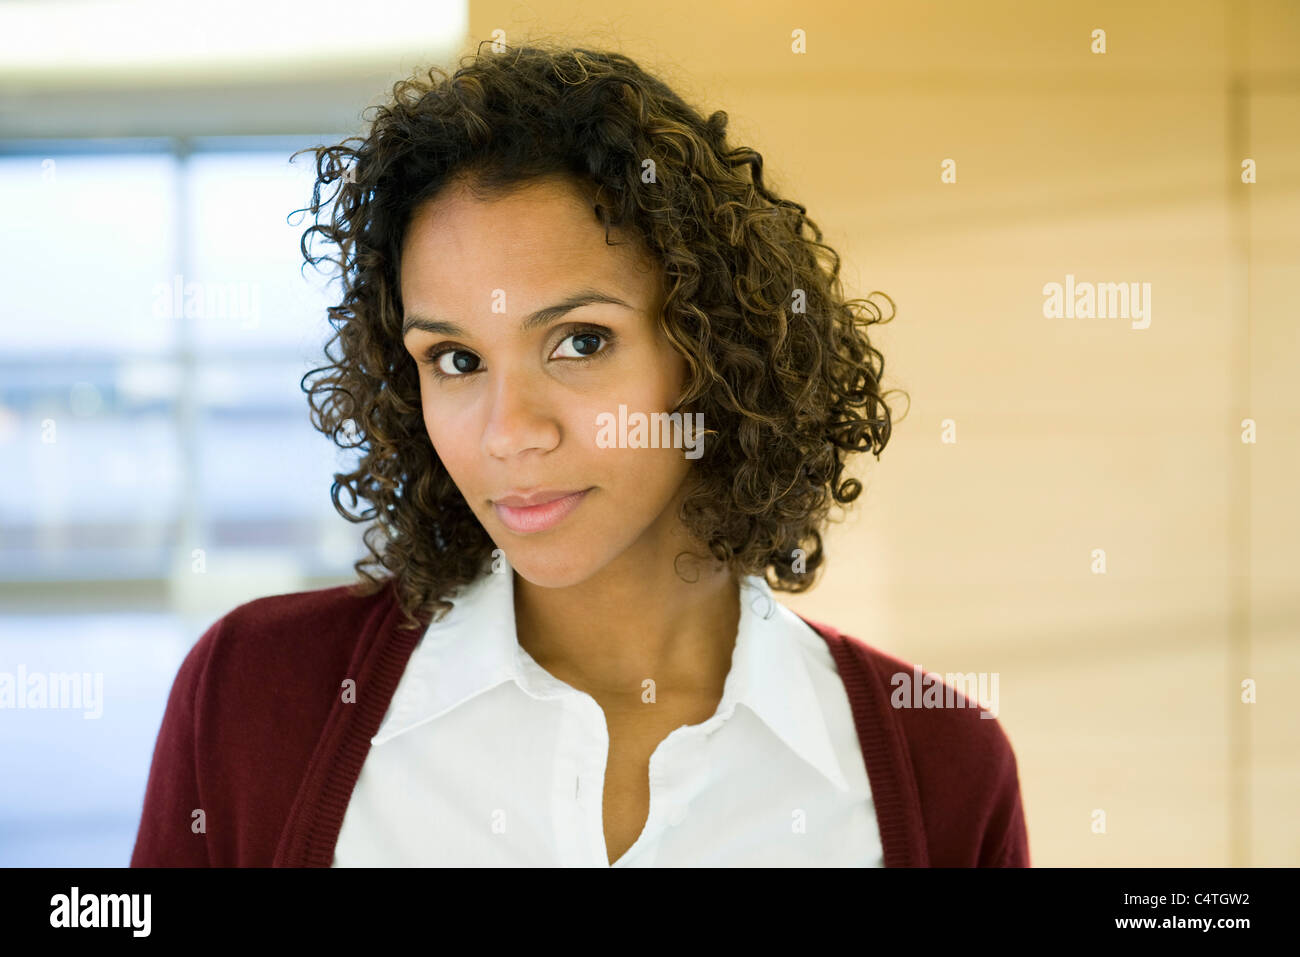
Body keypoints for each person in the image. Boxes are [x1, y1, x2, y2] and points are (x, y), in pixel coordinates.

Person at [130, 41, 1028, 867]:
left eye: (580, 342)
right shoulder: (253, 703)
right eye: (456, 359)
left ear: (715, 347)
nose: (509, 430)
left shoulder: (939, 771)